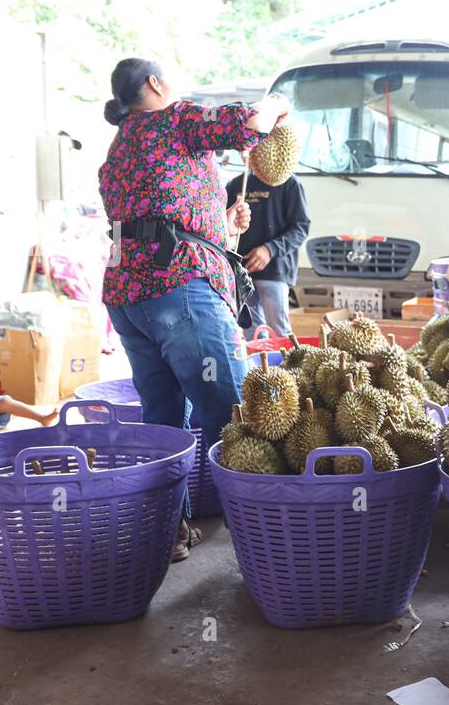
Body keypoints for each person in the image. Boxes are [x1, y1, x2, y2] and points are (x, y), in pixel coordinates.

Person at [98, 57, 290, 560]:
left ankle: (170, 534)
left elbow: (156, 217)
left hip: (130, 298)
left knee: (162, 421)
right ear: (155, 84)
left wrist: (223, 224)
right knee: (238, 412)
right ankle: (271, 539)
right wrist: (276, 105)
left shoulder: (119, 148)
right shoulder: (174, 118)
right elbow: (248, 123)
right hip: (180, 288)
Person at [225, 149, 310, 336]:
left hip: (275, 271)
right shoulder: (235, 185)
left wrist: (269, 250)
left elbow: (301, 227)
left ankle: (285, 365)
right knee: (251, 332)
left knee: (279, 330)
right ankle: (260, 365)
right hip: (243, 272)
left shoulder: (289, 183)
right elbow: (225, 228)